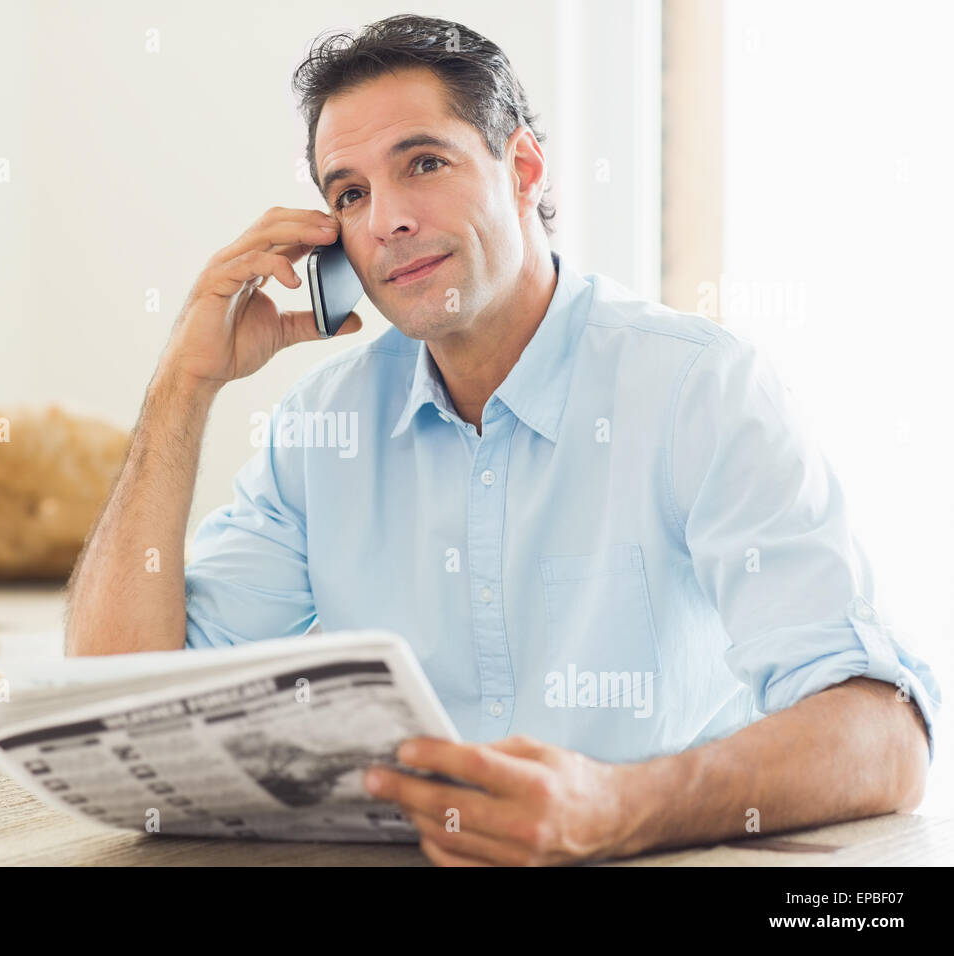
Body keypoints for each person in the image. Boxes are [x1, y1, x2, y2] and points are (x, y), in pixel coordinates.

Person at [66, 14, 940, 865]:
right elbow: (115, 702)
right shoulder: (319, 430)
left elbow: (883, 735)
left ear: (522, 167)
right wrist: (184, 384)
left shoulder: (697, 389)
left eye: (424, 163)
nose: (386, 222)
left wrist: (613, 809)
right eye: (351, 194)